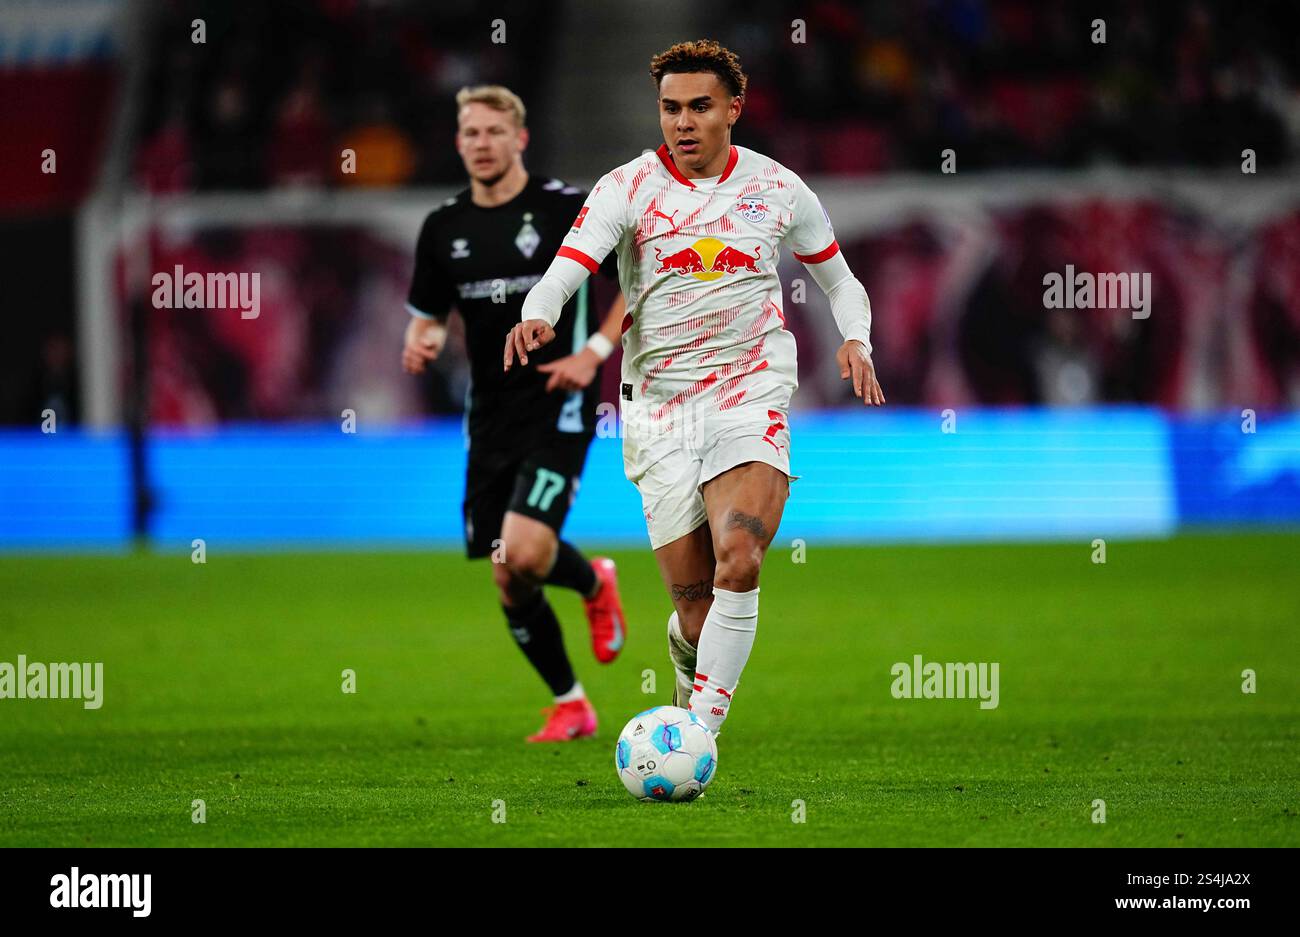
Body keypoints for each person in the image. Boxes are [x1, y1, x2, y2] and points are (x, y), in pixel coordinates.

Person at [505, 41, 885, 740]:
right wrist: (536, 314)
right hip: (657, 413)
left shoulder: (778, 188)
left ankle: (698, 735)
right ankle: (690, 658)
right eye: (671, 107)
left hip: (750, 392)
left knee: (740, 555)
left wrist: (855, 337)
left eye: (700, 107)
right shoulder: (627, 187)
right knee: (695, 609)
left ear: (733, 109)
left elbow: (840, 279)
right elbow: (568, 268)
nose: (682, 122)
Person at [404, 85, 628, 742]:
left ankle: (590, 581)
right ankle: (571, 703)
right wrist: (420, 341)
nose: (481, 143)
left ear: (520, 138)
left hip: (558, 401)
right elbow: (427, 319)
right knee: (509, 573)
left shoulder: (565, 208)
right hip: (489, 418)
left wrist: (593, 353)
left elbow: (636, 285)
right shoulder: (443, 227)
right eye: (470, 132)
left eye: (493, 132)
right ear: (458, 142)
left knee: (527, 549)